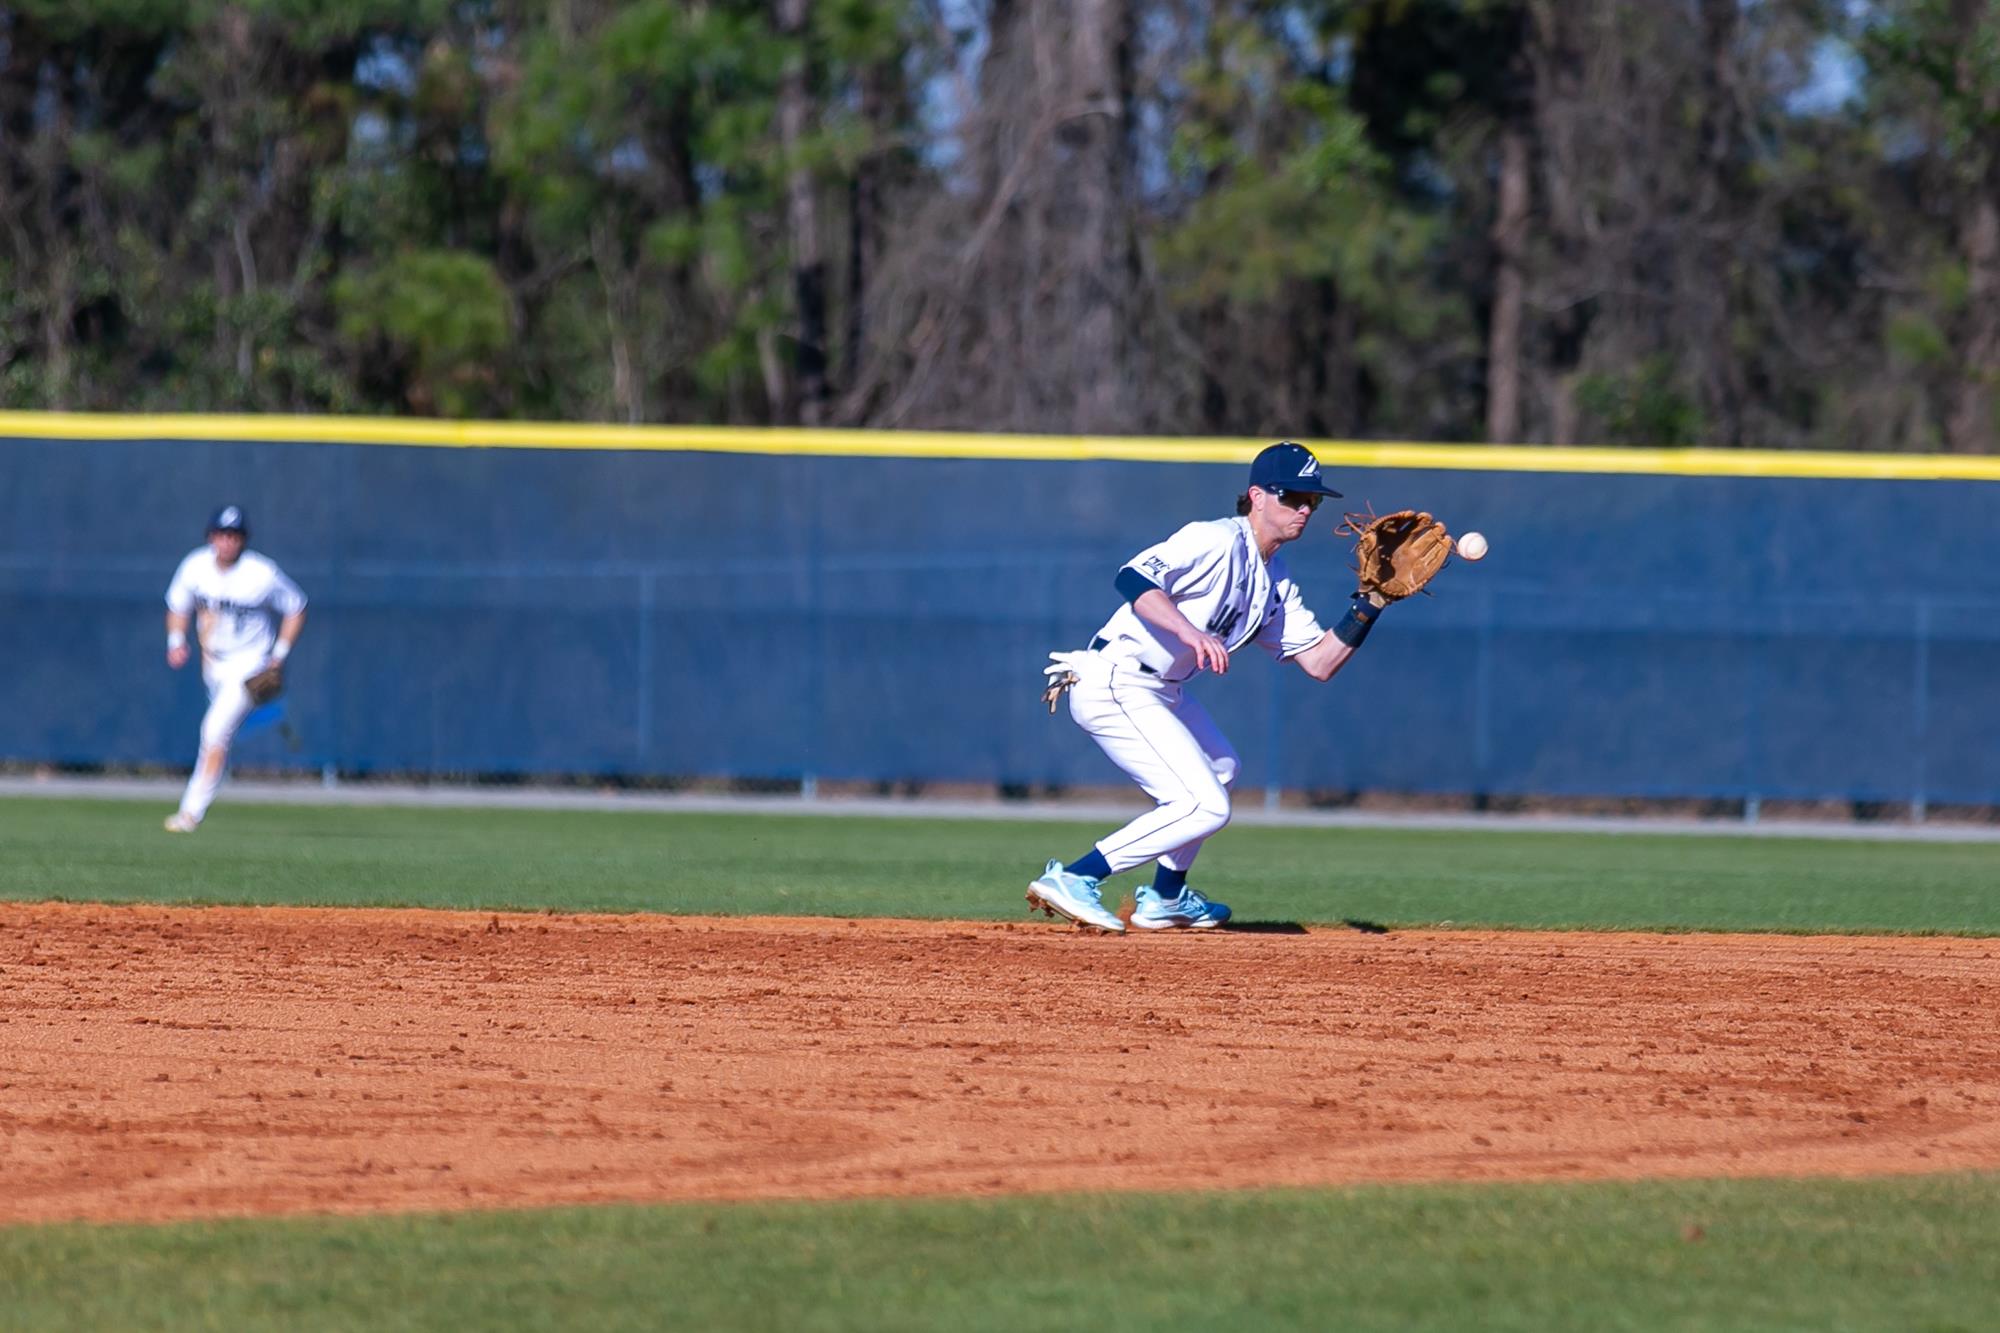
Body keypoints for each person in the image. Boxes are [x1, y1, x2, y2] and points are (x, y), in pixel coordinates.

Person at [1028, 441, 1389, 931]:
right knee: (1204, 806)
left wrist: (1369, 604)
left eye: (1313, 500)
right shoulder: (1215, 539)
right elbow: (1132, 577)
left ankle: (1164, 898)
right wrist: (1187, 630)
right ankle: (1076, 877)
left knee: (1221, 769)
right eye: (1293, 496)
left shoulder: (1275, 580)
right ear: (1257, 496)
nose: (1304, 508)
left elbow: (1319, 662)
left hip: (1161, 690)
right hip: (1115, 678)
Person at [162, 505, 308, 832]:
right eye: (222, 535)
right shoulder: (195, 567)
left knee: (214, 731)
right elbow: (177, 606)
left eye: (235, 536)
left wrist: (278, 655)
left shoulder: (261, 573)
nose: (228, 542)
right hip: (212, 664)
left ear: (243, 540)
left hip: (249, 664)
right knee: (218, 735)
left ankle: (190, 813)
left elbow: (297, 607)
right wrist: (175, 641)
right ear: (211, 536)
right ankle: (272, 718)